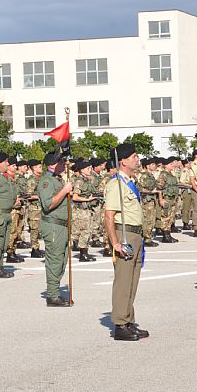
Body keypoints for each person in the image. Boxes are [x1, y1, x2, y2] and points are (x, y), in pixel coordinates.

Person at [104, 143, 150, 341]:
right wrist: (115, 242)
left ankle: (129, 320)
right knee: (123, 281)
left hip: (136, 234)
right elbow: (109, 216)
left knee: (132, 281)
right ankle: (120, 324)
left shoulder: (130, 182)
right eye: (133, 156)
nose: (137, 159)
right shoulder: (116, 185)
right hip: (125, 235)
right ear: (122, 161)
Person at [38, 151, 73, 307]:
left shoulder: (56, 180)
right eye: (60, 162)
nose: (63, 164)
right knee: (55, 260)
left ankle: (55, 290)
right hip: (53, 225)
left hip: (61, 225)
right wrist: (64, 191)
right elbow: (48, 204)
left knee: (62, 259)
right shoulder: (46, 181)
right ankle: (52, 296)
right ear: (52, 165)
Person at [70, 161, 98, 262]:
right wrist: (88, 200)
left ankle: (85, 252)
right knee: (84, 232)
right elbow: (75, 197)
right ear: (82, 170)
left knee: (88, 231)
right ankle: (83, 254)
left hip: (87, 209)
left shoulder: (88, 180)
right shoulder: (79, 181)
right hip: (80, 210)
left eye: (90, 168)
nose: (90, 170)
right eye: (87, 169)